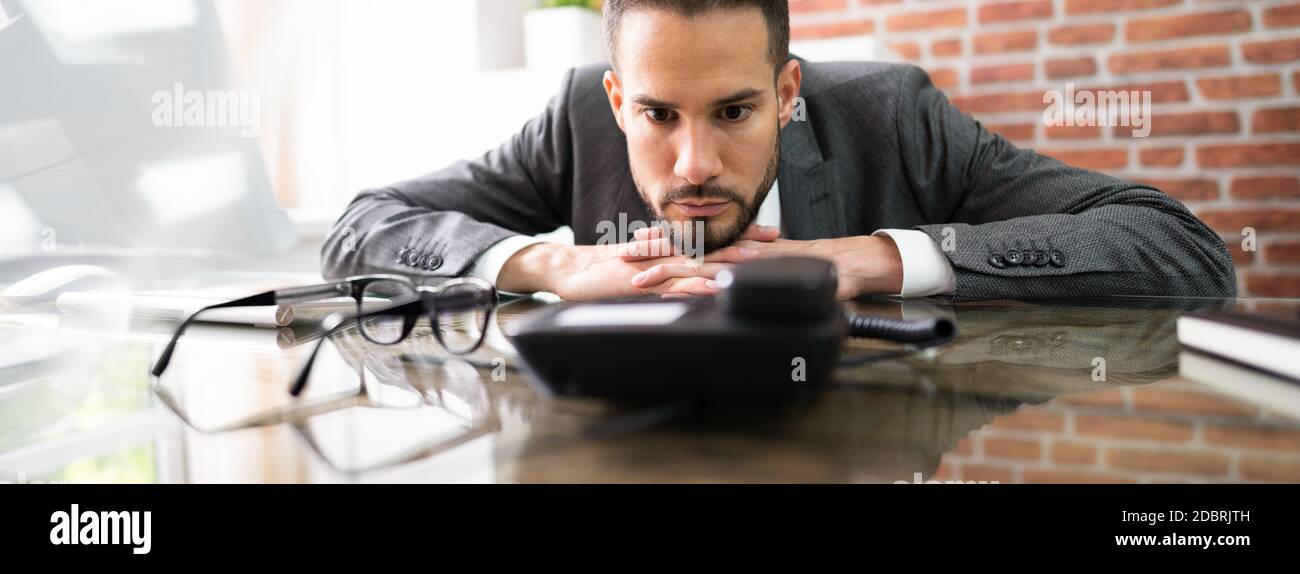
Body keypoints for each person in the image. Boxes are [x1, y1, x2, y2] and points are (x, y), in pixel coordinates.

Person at [322, 0, 1235, 301]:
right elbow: (366, 224)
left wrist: (884, 256)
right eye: (656, 116)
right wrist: (548, 263)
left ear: (789, 95)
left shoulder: (895, 116)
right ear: (615, 101)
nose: (691, 165)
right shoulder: (574, 116)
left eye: (733, 112)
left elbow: (1180, 247)